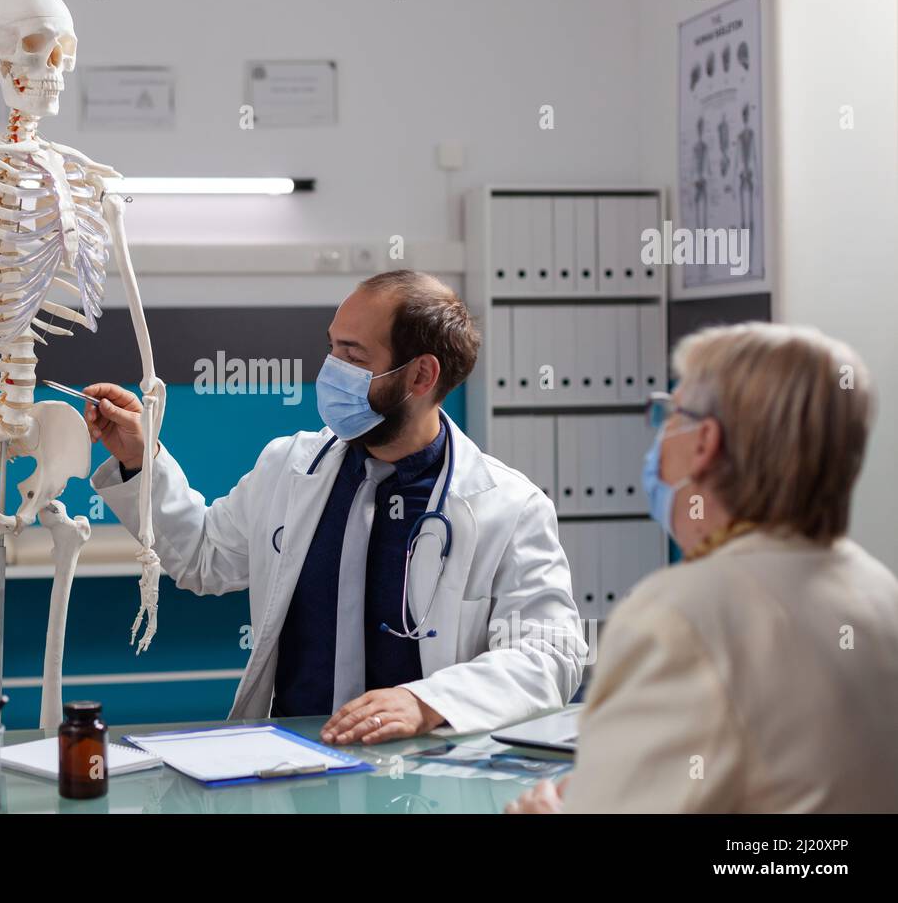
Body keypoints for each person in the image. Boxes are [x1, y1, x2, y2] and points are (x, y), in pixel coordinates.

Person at [85, 271, 585, 744]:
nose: (331, 370)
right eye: (332, 348)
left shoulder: (509, 506)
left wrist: (427, 702)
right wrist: (139, 457)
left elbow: (549, 654)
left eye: (353, 354)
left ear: (421, 375)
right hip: (291, 760)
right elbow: (203, 559)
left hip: (429, 770)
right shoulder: (289, 467)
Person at [507, 322, 898, 813]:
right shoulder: (879, 591)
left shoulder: (681, 613)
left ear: (704, 443)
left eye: (670, 412)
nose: (660, 432)